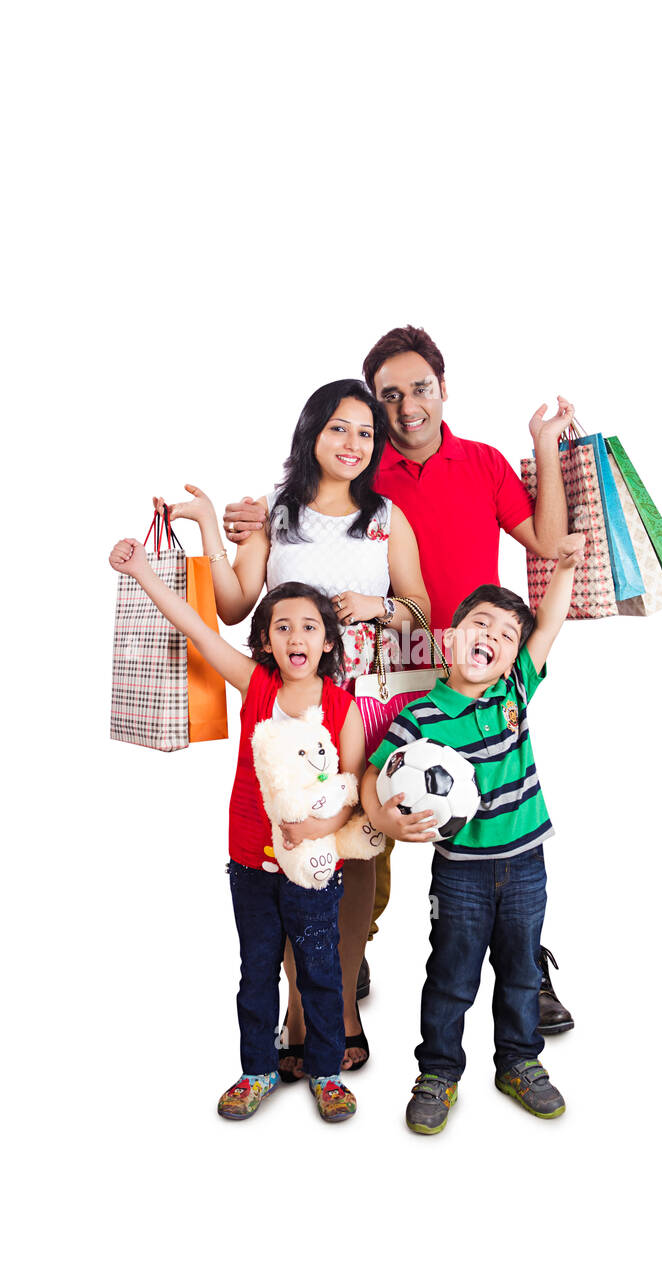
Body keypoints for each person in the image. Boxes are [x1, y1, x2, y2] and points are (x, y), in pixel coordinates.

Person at [222, 328, 575, 1033]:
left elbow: (548, 540)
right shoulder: (363, 474)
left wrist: (542, 446)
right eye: (389, 395)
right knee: (368, 818)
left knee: (493, 814)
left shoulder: (481, 463)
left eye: (419, 387)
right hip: (379, 671)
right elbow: (303, 512)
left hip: (474, 668)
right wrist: (252, 520)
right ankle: (349, 959)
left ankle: (523, 965)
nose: (406, 405)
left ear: (444, 387)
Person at [156, 379, 429, 1080]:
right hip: (284, 714)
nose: (353, 444)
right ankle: (302, 1013)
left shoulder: (386, 517)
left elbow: (422, 613)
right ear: (312, 432)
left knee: (354, 845)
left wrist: (381, 604)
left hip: (362, 707)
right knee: (286, 848)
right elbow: (233, 600)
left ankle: (336, 1008)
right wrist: (212, 527)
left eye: (366, 434)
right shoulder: (275, 515)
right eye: (340, 429)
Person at [107, 546, 363, 1125]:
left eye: (309, 626)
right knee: (256, 970)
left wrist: (316, 828)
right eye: (282, 626)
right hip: (249, 863)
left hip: (314, 870)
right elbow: (196, 625)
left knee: (321, 973)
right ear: (267, 642)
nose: (295, 636)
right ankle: (258, 1069)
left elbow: (349, 790)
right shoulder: (256, 685)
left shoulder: (343, 708)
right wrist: (142, 571)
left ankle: (326, 1072)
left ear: (327, 642)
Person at [360, 528, 587, 1134]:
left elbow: (550, 624)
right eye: (481, 624)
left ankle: (519, 1062)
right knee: (452, 975)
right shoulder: (420, 717)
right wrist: (383, 817)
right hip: (459, 872)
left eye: (507, 635)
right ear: (452, 635)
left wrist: (562, 568)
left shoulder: (516, 691)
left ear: (516, 657)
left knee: (519, 971)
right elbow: (371, 774)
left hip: (526, 865)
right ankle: (438, 1071)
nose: (491, 637)